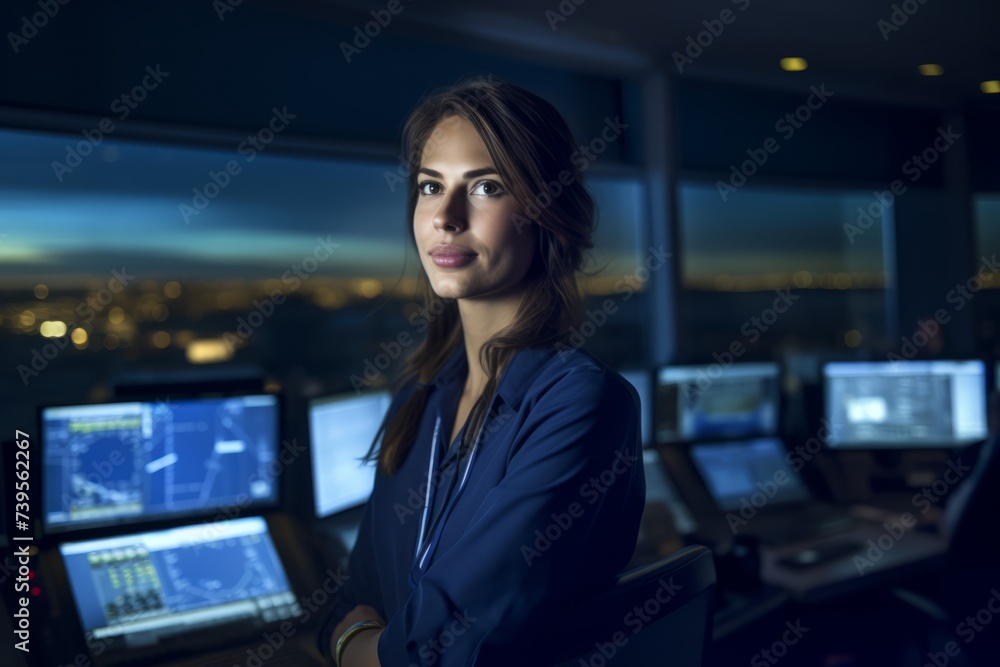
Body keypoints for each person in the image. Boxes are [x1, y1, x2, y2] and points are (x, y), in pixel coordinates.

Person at [316, 76, 646, 666]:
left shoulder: (580, 402)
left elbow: (441, 648)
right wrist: (357, 639)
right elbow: (351, 600)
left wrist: (357, 647)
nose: (446, 217)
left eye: (487, 187)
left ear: (546, 213)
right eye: (429, 186)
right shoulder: (419, 402)